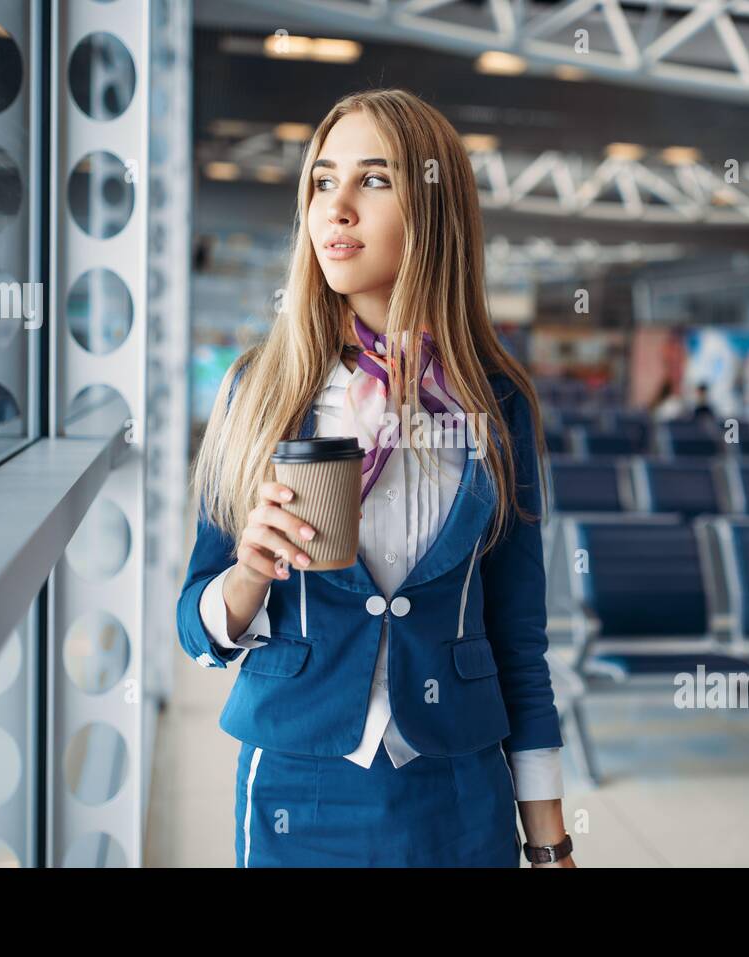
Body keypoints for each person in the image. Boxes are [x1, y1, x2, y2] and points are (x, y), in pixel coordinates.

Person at [176, 89, 574, 868]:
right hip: (298, 786)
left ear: (434, 208)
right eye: (323, 182)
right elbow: (198, 631)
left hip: (459, 790)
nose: (339, 208)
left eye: (375, 180)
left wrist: (551, 840)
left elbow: (520, 639)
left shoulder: (496, 403)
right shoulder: (259, 389)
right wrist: (249, 575)